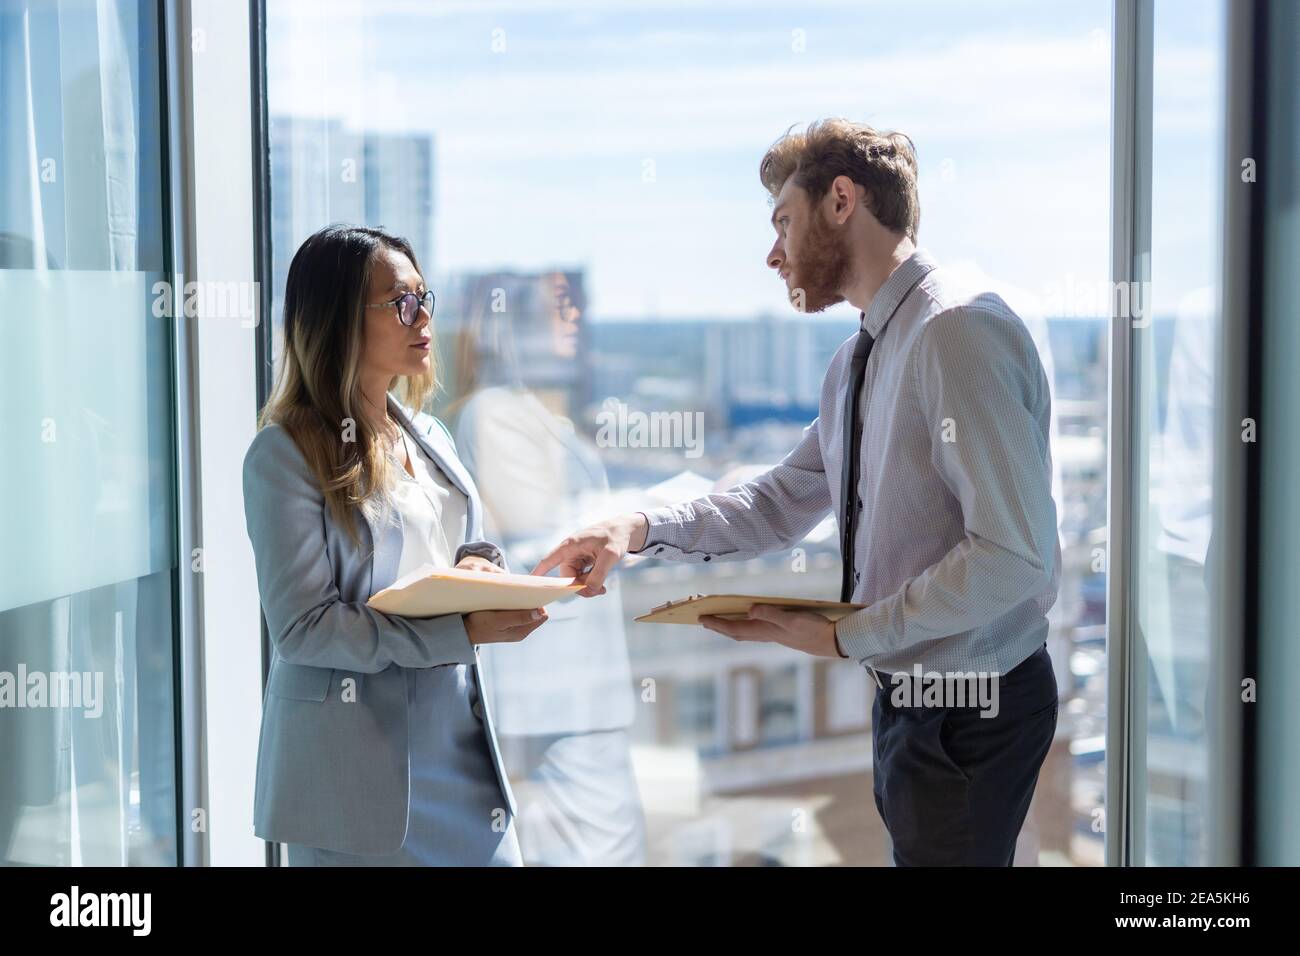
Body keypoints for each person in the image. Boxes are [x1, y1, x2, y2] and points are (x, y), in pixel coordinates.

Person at [534, 119, 1061, 867]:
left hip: (970, 706)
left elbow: (1014, 556)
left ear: (842, 200)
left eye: (784, 220)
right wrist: (641, 527)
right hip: (909, 699)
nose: (772, 252)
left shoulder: (956, 330)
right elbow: (779, 500)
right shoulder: (859, 358)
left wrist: (850, 634)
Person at [242, 224, 547, 866]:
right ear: (337, 320)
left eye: (424, 296)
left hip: (460, 750)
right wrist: (460, 633)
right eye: (400, 301)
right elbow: (302, 629)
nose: (423, 316)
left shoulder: (429, 431)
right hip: (350, 773)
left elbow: (469, 544)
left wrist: (479, 567)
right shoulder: (283, 454)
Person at [449, 270, 646, 865]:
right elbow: (540, 537)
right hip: (554, 693)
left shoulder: (544, 417)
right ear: (517, 327)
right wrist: (639, 521)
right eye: (559, 307)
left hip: (584, 692)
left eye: (577, 306)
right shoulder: (493, 414)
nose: (575, 319)